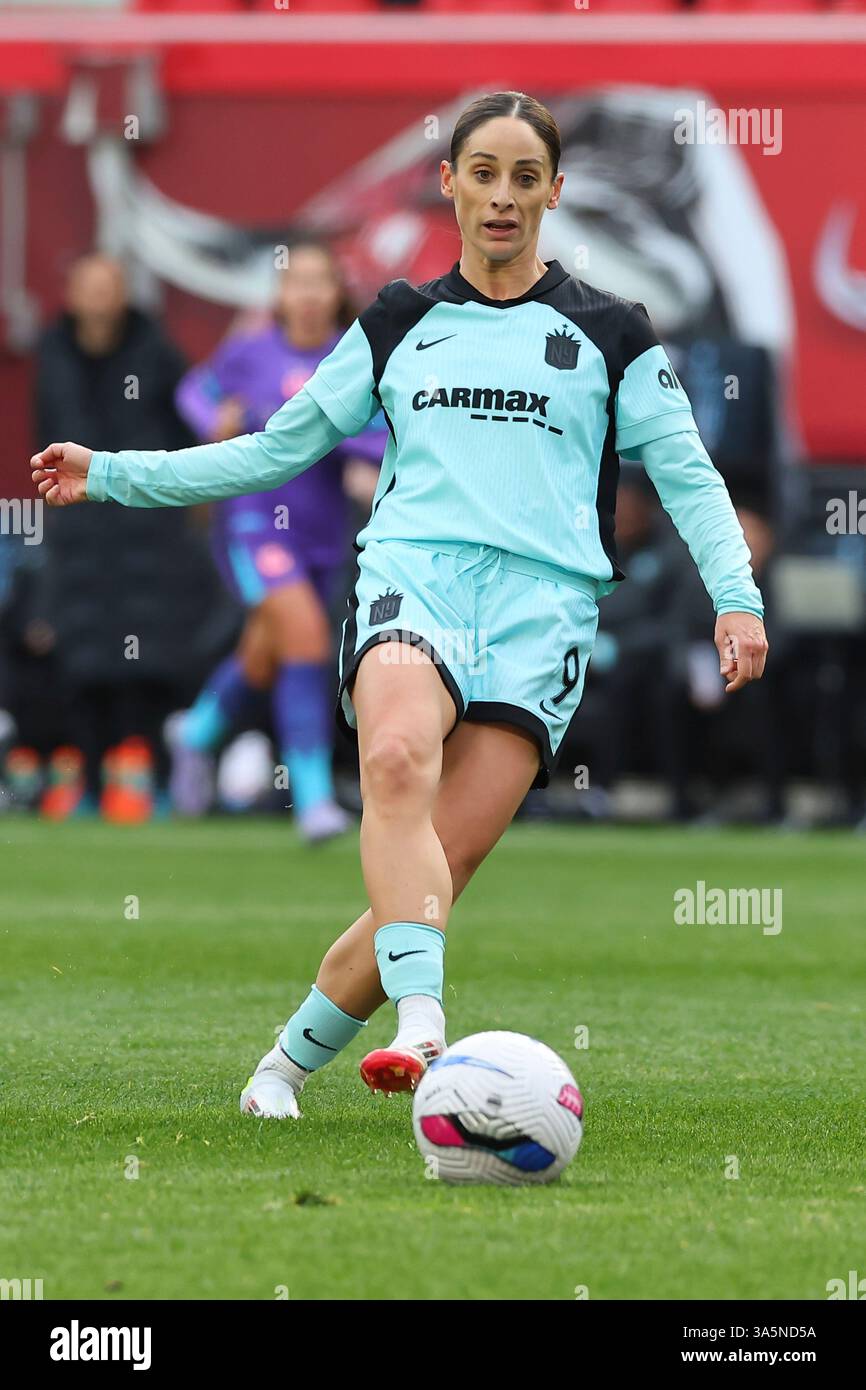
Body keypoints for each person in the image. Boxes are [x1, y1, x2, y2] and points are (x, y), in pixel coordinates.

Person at [30, 92, 768, 1121]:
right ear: (448, 184)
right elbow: (271, 449)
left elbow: (688, 478)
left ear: (555, 191)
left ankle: (279, 1070)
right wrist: (110, 472)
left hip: (541, 614)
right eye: (482, 172)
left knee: (434, 873)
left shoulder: (612, 332)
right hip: (411, 575)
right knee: (392, 762)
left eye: (523, 176)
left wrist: (735, 600)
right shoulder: (395, 321)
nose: (501, 196)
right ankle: (424, 1022)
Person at [170, 242, 386, 840]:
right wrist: (213, 423)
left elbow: (375, 433)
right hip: (252, 522)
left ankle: (194, 735)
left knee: (268, 652)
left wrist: (366, 461)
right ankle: (313, 800)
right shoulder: (249, 352)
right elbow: (196, 392)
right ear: (281, 293)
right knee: (307, 640)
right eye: (299, 281)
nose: (310, 294)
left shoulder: (352, 357)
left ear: (337, 292)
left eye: (322, 282)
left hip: (321, 532)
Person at [34, 253, 222, 817]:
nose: (99, 299)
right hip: (79, 528)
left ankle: (161, 784)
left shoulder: (157, 352)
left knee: (152, 662)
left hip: (146, 526)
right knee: (83, 662)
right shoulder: (52, 354)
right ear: (72, 296)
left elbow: (192, 424)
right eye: (88, 288)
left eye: (109, 287)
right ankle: (88, 787)